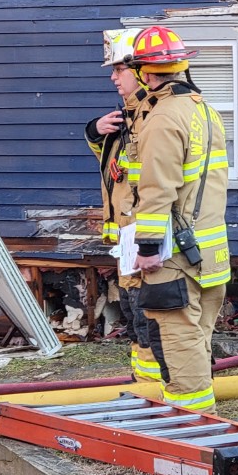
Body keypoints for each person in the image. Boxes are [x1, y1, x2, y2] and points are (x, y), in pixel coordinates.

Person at [128, 26, 230, 413]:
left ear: (144, 72)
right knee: (197, 341)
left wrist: (148, 247)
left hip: (174, 258)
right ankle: (201, 420)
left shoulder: (163, 118)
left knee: (176, 344)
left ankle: (193, 425)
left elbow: (157, 188)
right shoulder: (205, 111)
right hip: (211, 254)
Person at [85, 28, 163, 383]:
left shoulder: (154, 118)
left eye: (119, 69)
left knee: (151, 320)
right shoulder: (128, 119)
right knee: (135, 318)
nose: (113, 78)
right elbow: (113, 168)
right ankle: (144, 384)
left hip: (149, 242)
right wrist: (95, 131)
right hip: (130, 240)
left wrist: (147, 242)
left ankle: (156, 389)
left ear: (141, 69)